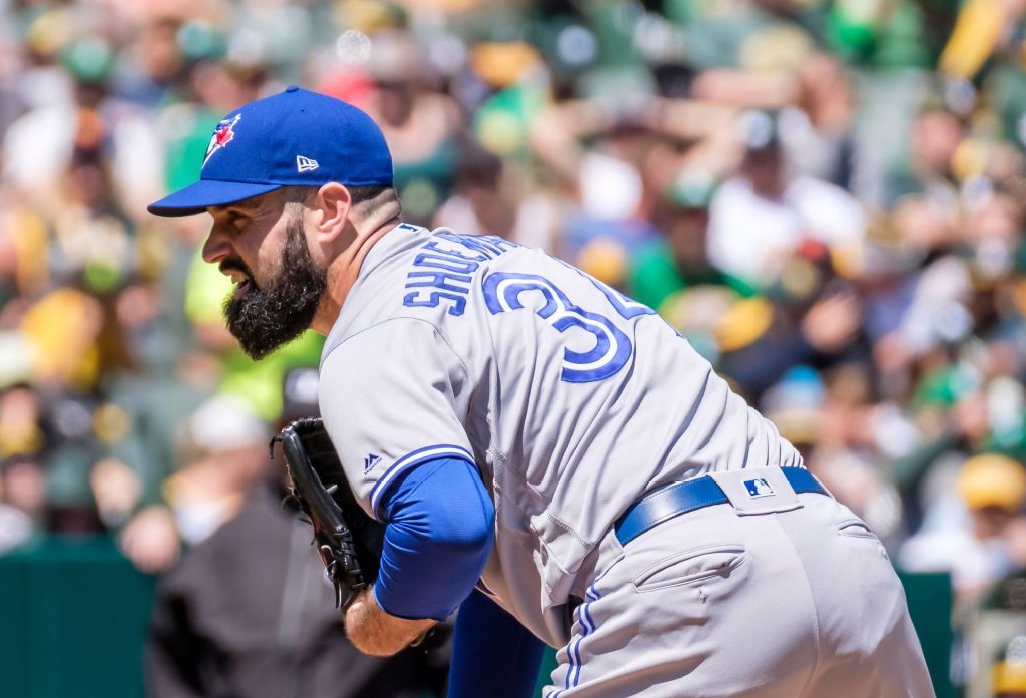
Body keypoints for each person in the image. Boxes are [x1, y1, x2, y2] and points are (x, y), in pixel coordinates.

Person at [147, 87, 934, 696]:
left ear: (329, 210)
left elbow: (449, 527)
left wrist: (379, 622)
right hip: (843, 561)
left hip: (685, 591)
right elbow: (504, 568)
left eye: (238, 216)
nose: (216, 246)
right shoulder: (518, 267)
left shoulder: (372, 330)